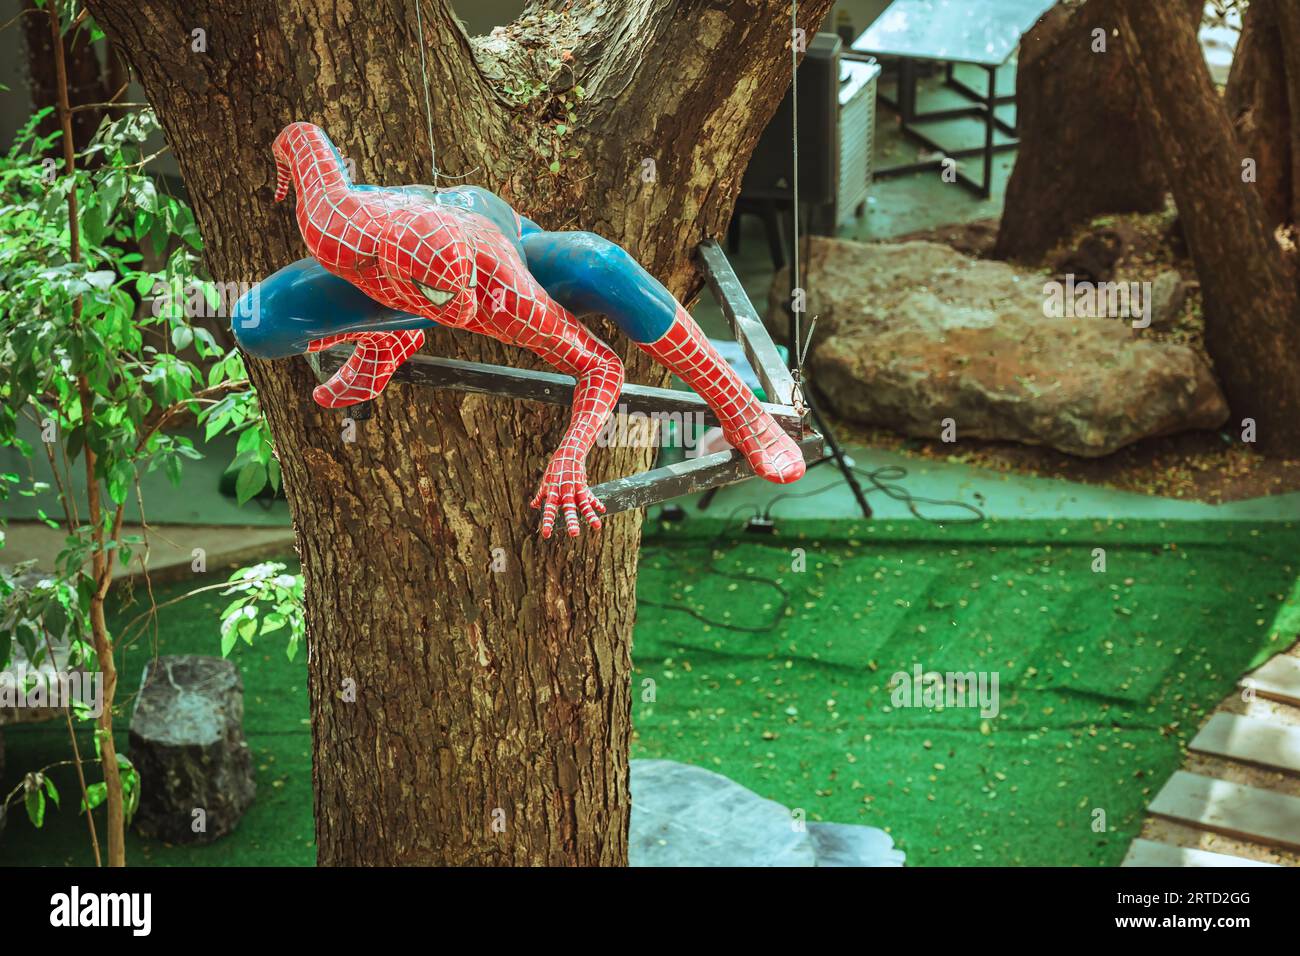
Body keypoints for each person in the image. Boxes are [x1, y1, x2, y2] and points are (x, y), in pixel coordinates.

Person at [233, 122, 804, 538]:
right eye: (447, 300)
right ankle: (390, 335)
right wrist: (284, 167)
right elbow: (299, 137)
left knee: (601, 263)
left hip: (504, 235)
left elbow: (599, 364)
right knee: (256, 324)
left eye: (463, 294)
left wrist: (571, 455)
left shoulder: (505, 292)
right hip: (390, 258)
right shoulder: (338, 227)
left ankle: (741, 410)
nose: (465, 311)